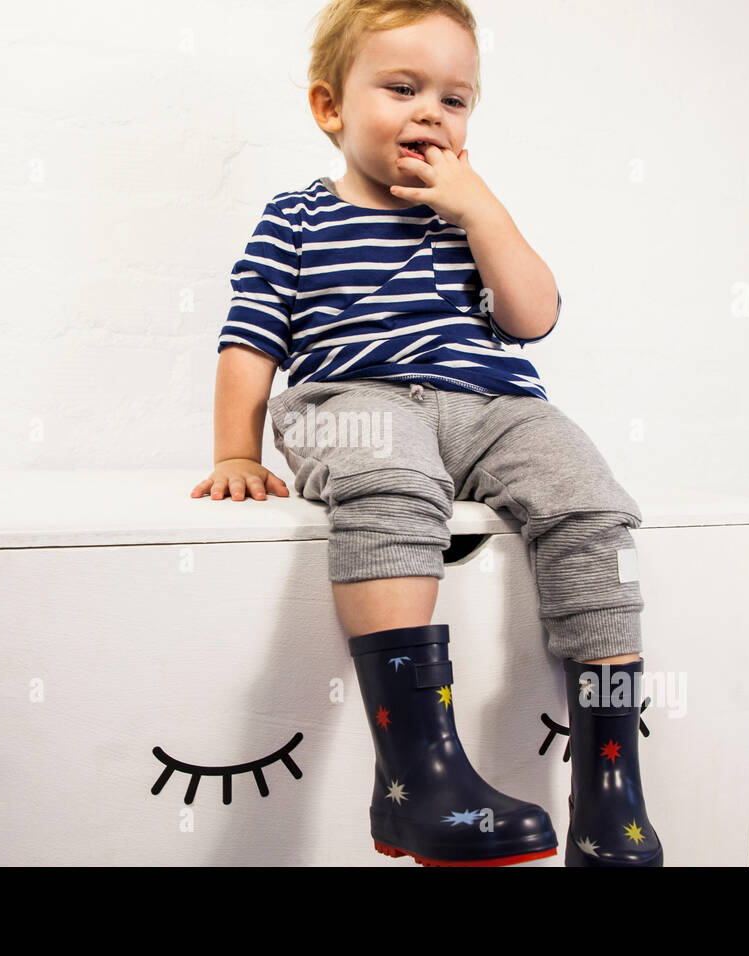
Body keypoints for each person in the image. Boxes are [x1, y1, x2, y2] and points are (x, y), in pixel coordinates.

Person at [191, 0, 661, 867]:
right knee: (392, 482)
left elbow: (532, 318)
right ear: (330, 108)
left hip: (494, 407)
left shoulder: (469, 214)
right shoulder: (298, 217)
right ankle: (417, 776)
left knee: (593, 503)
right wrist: (235, 452)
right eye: (402, 88)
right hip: (358, 399)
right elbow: (249, 338)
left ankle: (611, 786)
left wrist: (483, 213)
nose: (429, 113)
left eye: (454, 99)